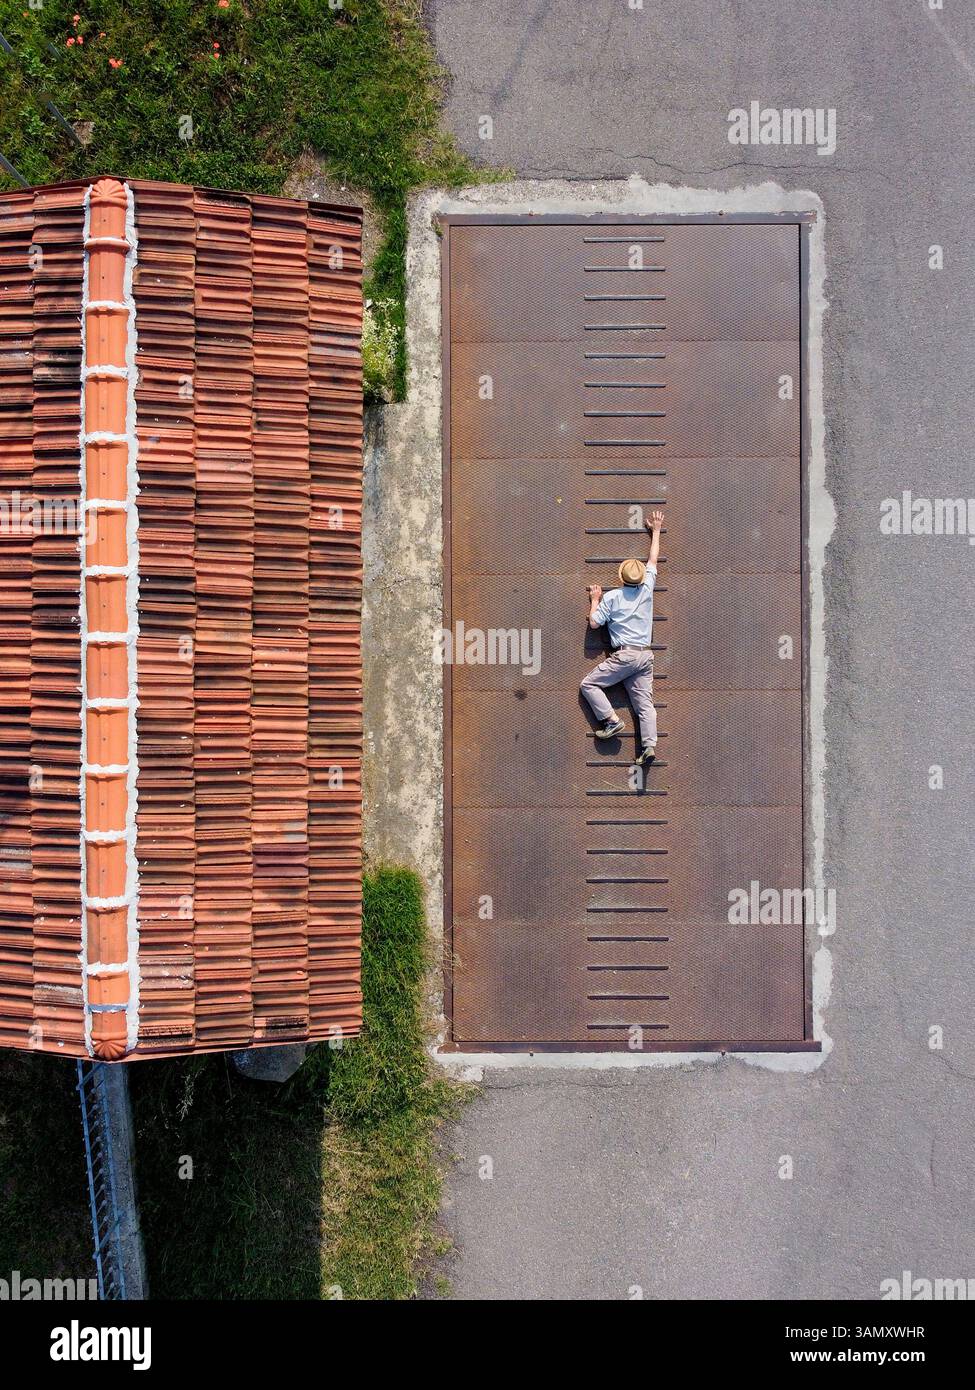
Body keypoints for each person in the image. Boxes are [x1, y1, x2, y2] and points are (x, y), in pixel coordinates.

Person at [580, 509, 664, 767]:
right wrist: (657, 530)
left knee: (589, 685)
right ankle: (648, 746)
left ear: (620, 577)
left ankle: (611, 721)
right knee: (644, 704)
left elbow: (594, 623)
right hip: (644, 656)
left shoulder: (614, 597)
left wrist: (595, 600)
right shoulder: (647, 590)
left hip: (625, 655)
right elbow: (653, 561)